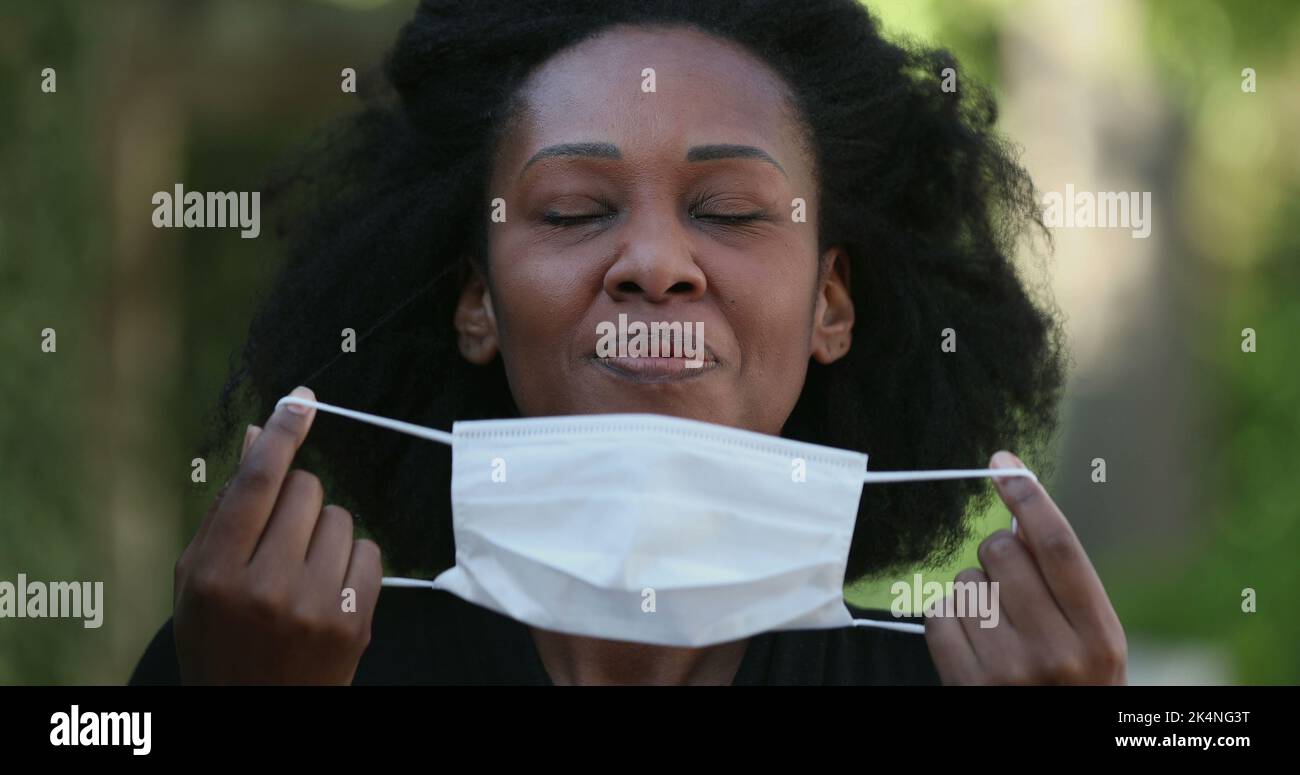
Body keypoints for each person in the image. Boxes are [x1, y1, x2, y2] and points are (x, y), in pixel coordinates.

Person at [130, 0, 1125, 685]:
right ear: (474, 301)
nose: (654, 261)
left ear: (832, 305)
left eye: (731, 211)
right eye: (570, 213)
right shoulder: (262, 658)